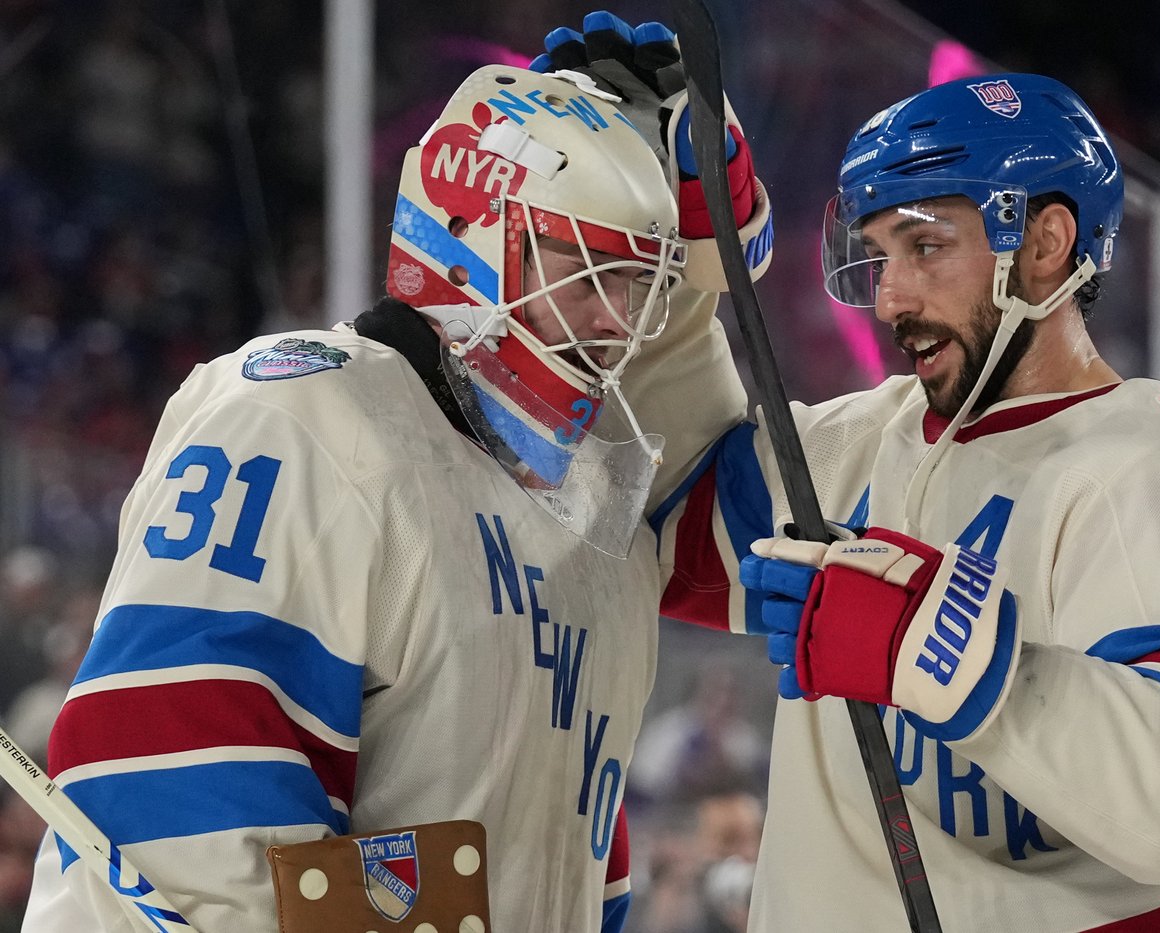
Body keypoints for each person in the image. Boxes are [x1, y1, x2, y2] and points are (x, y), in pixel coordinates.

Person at [20, 15, 771, 931]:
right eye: (590, 274)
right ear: (473, 237)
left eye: (643, 284)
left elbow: (569, 860)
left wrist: (703, 259)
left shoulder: (594, 510)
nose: (619, 321)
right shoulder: (297, 413)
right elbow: (182, 791)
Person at [654, 73, 1160, 931]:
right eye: (880, 255)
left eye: (925, 248)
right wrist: (687, 249)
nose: (891, 297)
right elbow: (661, 531)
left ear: (1045, 245)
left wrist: (941, 644)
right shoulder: (865, 436)